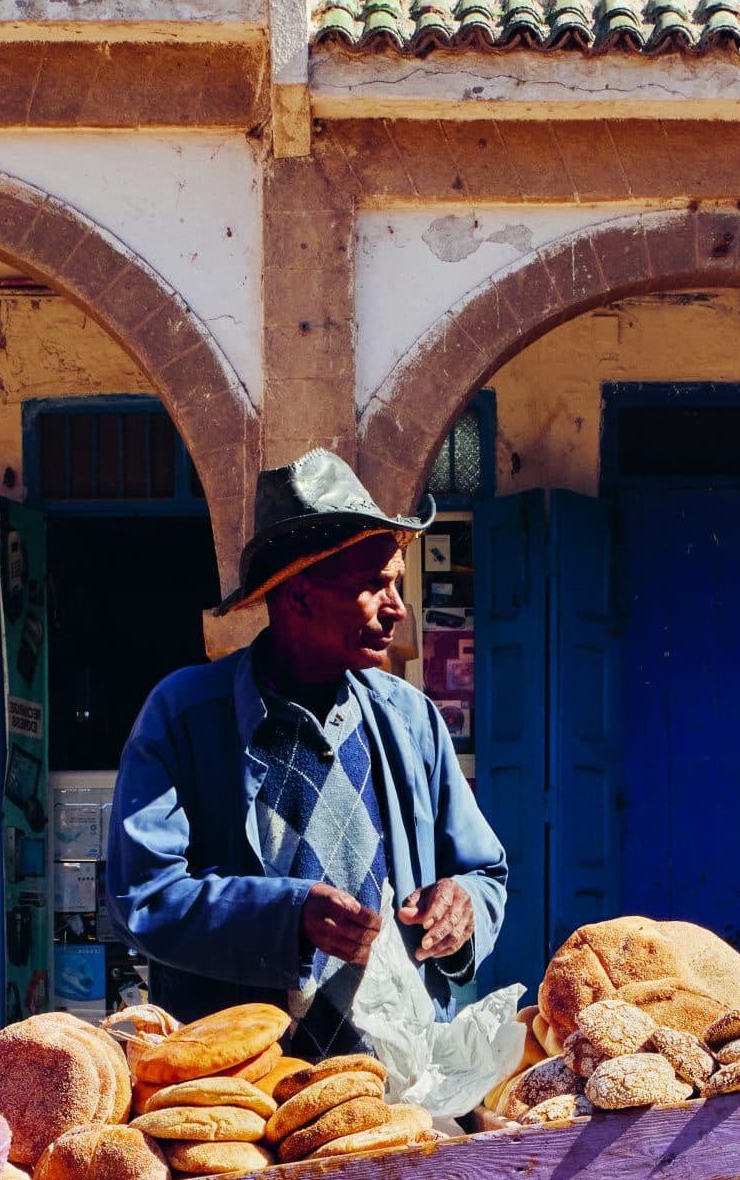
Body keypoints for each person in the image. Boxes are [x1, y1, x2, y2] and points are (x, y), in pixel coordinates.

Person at [106, 449, 509, 1056]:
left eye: (395, 583)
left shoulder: (410, 718)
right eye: (375, 586)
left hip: (390, 1082)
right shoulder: (184, 715)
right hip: (240, 1091)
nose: (397, 608)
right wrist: (288, 917)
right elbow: (145, 896)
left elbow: (484, 873)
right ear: (298, 599)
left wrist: (464, 908)